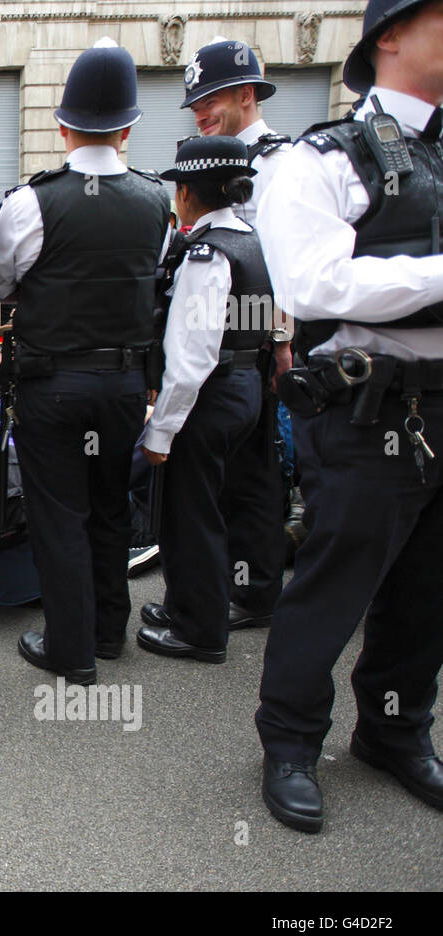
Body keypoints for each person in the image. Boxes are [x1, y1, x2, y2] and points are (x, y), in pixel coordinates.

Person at [253, 0, 443, 833]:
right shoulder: (321, 157)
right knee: (333, 587)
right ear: (389, 35)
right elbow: (310, 287)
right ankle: (291, 742)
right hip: (370, 408)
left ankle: (396, 728)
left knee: (427, 591)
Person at [0, 39, 171, 684]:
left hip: (53, 383)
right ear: (126, 128)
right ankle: (110, 631)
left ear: (63, 125)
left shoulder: (35, 200)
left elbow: (2, 284)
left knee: (59, 514)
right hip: (123, 383)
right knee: (111, 505)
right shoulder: (157, 202)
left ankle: (72, 648)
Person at [136, 136, 272, 662]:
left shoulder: (207, 253)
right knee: (226, 503)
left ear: (188, 192)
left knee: (191, 514)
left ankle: (199, 628)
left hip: (210, 395)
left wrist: (161, 430)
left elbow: (191, 355)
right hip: (247, 385)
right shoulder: (251, 241)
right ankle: (188, 603)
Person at [181, 37, 295, 630]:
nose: (201, 108)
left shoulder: (275, 164)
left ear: (246, 94)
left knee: (253, 472)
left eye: (212, 97)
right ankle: (238, 582)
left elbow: (282, 262)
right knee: (235, 469)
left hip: (254, 343)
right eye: (195, 99)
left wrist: (278, 343)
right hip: (226, 341)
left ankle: (254, 590)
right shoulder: (220, 157)